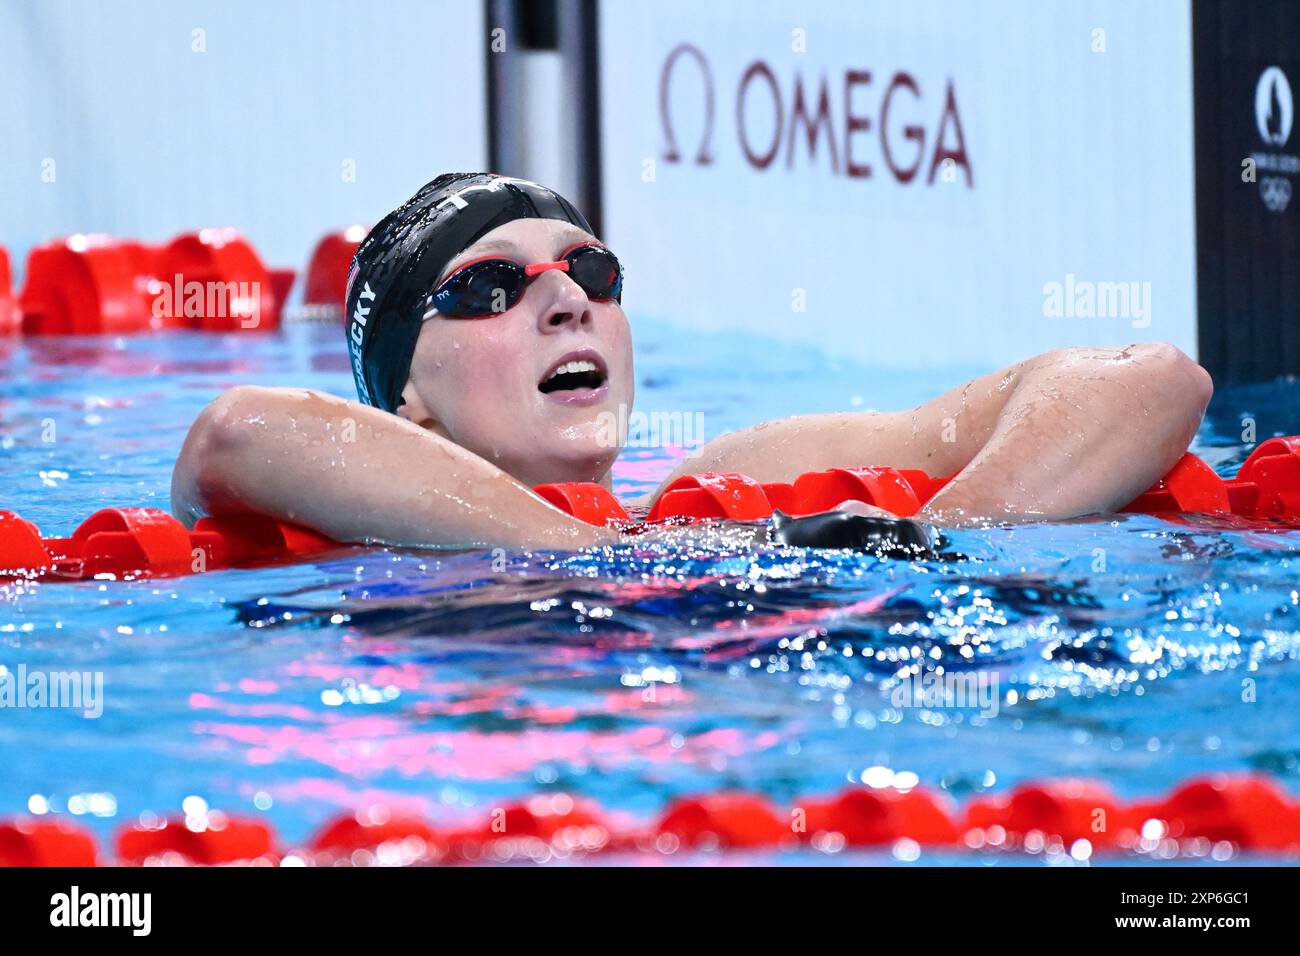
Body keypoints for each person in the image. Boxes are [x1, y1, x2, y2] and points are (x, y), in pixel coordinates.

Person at [171, 172, 1213, 550]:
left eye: (591, 270)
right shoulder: (341, 542)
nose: (565, 298)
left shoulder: (733, 484)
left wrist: (948, 534)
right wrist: (586, 556)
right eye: (491, 287)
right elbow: (238, 434)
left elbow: (1147, 378)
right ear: (407, 396)